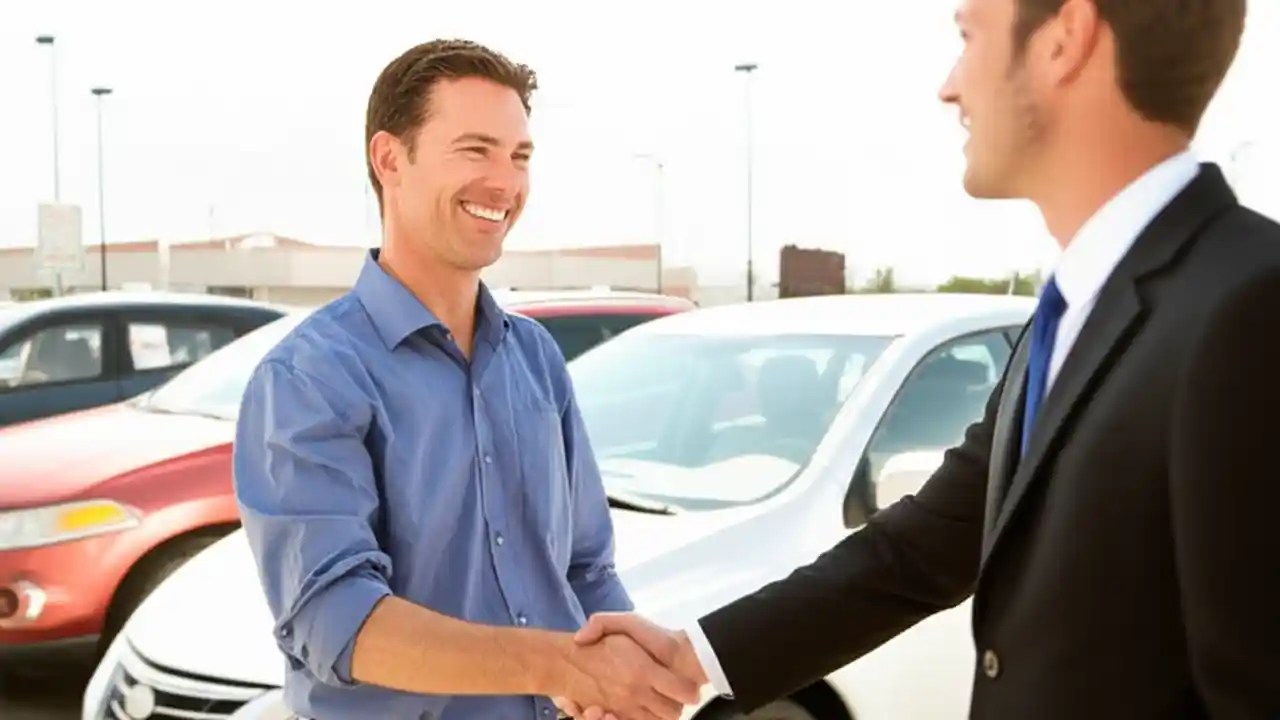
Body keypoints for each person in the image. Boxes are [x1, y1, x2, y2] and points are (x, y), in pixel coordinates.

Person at [563, 0, 1280, 718]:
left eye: (969, 38)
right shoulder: (1066, 317)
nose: (949, 86)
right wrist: (690, 660)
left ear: (1066, 39)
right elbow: (918, 554)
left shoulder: (1251, 309)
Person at [232, 39, 698, 720]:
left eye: (520, 157)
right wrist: (566, 665)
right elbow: (337, 618)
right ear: (390, 159)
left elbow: (587, 571)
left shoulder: (534, 358)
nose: (505, 184)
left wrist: (629, 685)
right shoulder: (309, 377)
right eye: (476, 150)